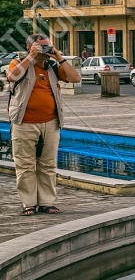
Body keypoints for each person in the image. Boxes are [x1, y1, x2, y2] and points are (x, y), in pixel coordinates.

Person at [5, 32, 81, 216]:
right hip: (24, 122)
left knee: (48, 165)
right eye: (41, 46)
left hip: (51, 122)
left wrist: (59, 57)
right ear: (30, 47)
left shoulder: (52, 66)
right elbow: (12, 76)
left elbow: (75, 78)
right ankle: (29, 204)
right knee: (25, 165)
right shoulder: (18, 62)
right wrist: (31, 57)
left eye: (47, 46)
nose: (44, 50)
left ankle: (47, 202)